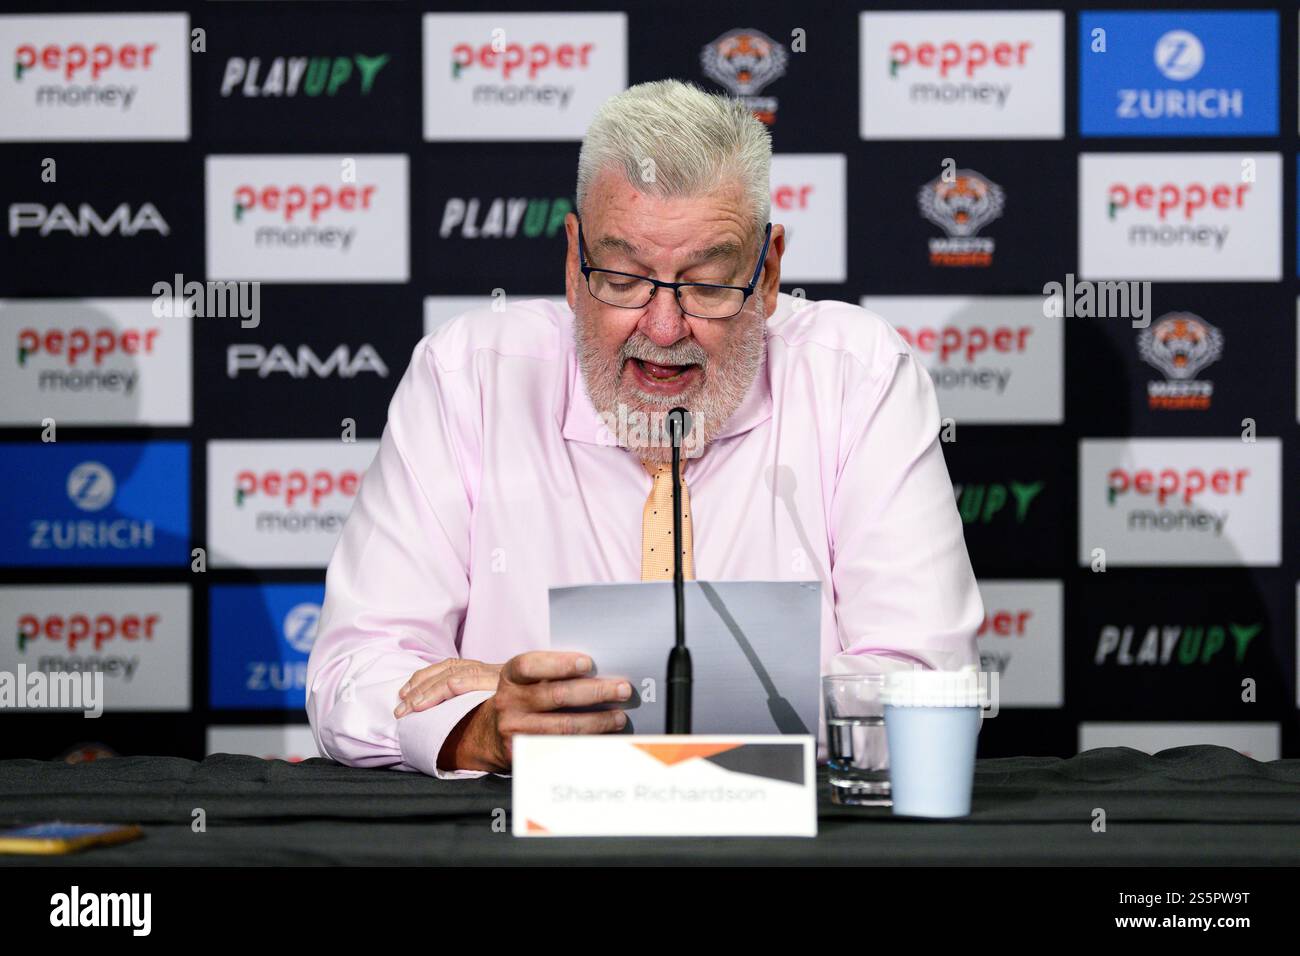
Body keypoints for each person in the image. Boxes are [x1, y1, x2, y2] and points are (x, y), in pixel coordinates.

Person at [306, 79, 982, 778]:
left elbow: (925, 685)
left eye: (708, 284)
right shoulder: (468, 377)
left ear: (768, 272)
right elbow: (354, 672)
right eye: (623, 279)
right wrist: (482, 726)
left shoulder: (857, 377)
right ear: (574, 263)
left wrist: (603, 710)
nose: (662, 329)